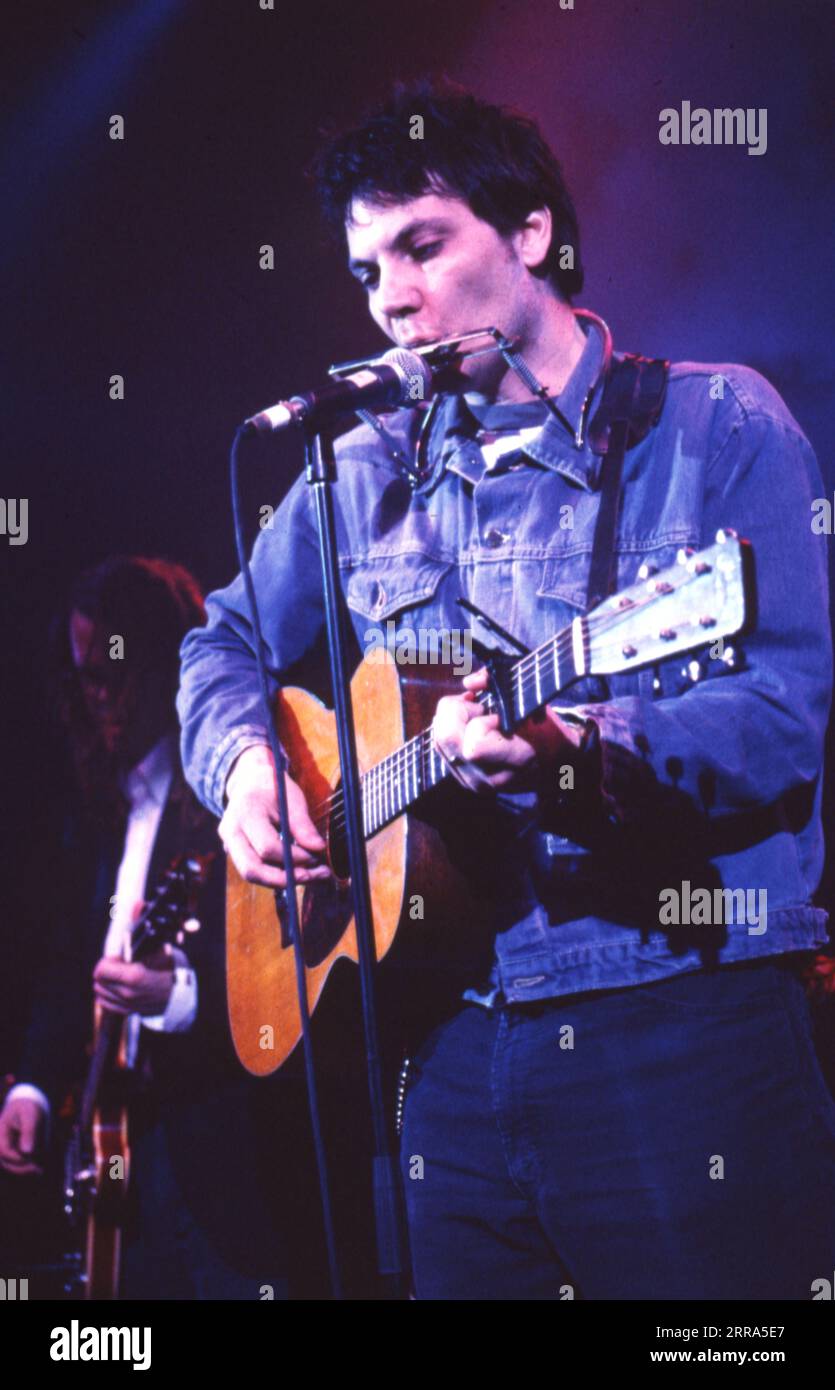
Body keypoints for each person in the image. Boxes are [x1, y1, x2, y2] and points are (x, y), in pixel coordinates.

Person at [177, 81, 835, 1300]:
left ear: (530, 233)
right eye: (369, 269)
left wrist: (572, 746)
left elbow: (781, 720)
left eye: (424, 245)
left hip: (674, 1010)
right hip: (450, 1031)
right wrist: (246, 770)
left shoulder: (716, 420)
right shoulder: (362, 466)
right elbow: (216, 640)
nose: (393, 296)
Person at [0, 556, 309, 1299]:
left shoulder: (235, 797)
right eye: (83, 677)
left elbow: (279, 973)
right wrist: (35, 1090)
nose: (98, 696)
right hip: (119, 1161)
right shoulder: (100, 811)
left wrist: (176, 995)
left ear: (159, 661)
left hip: (222, 1149)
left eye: (112, 671)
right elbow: (69, 966)